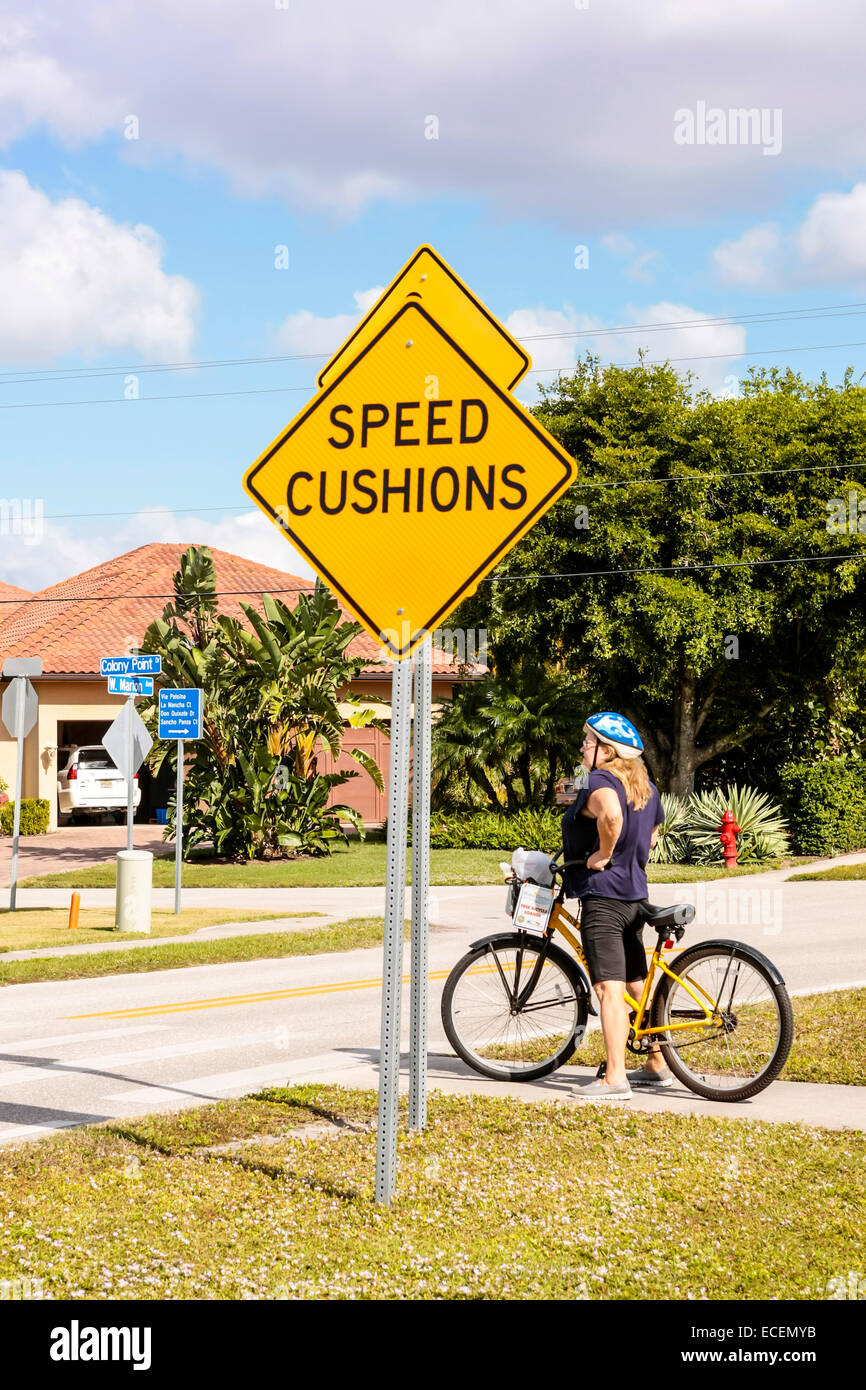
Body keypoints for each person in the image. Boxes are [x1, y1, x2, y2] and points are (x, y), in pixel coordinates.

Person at [560, 711, 669, 1102]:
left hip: (604, 899)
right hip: (635, 896)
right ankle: (656, 1063)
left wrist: (605, 854)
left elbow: (610, 814)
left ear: (606, 751)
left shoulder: (602, 780)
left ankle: (615, 1079)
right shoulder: (645, 787)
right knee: (635, 983)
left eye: (587, 742)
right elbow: (655, 832)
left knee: (608, 988)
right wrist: (631, 854)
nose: (582, 748)